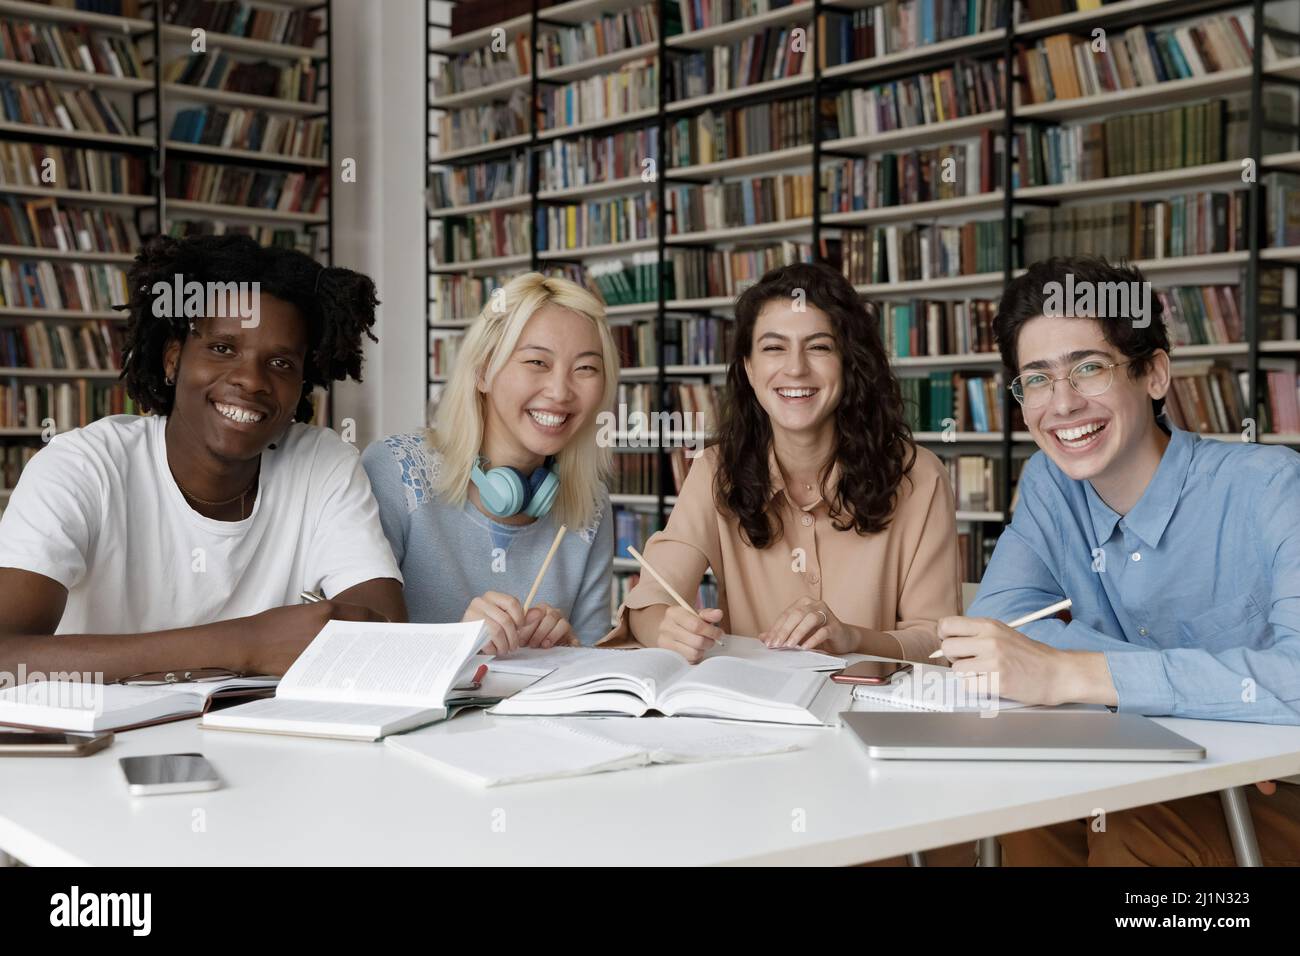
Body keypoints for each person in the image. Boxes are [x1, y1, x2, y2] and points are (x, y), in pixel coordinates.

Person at [941, 256, 1300, 865]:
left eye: (1088, 368)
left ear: (1154, 374)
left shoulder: (1269, 488)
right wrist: (1224, 701)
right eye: (1037, 379)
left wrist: (1074, 673)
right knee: (1025, 813)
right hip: (1147, 767)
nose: (1063, 404)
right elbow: (1001, 637)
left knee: (1127, 827)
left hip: (1279, 792)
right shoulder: (1050, 485)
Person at [0, 234, 405, 682]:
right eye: (223, 348)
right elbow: (5, 657)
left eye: (281, 363)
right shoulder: (82, 467)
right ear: (173, 360)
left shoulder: (322, 463)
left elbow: (385, 644)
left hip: (266, 743)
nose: (251, 381)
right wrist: (244, 644)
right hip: (104, 745)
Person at [613, 261, 963, 662]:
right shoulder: (715, 471)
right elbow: (649, 600)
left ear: (849, 363)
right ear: (749, 367)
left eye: (818, 346)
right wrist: (664, 626)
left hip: (868, 711)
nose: (795, 368)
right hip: (754, 714)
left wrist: (852, 638)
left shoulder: (920, 477)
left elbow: (937, 642)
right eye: (774, 348)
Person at [363, 272, 616, 651]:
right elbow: (354, 651)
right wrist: (454, 645)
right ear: (482, 371)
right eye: (537, 362)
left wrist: (569, 650)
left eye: (585, 368)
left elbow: (594, 672)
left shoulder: (591, 504)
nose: (561, 391)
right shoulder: (396, 471)